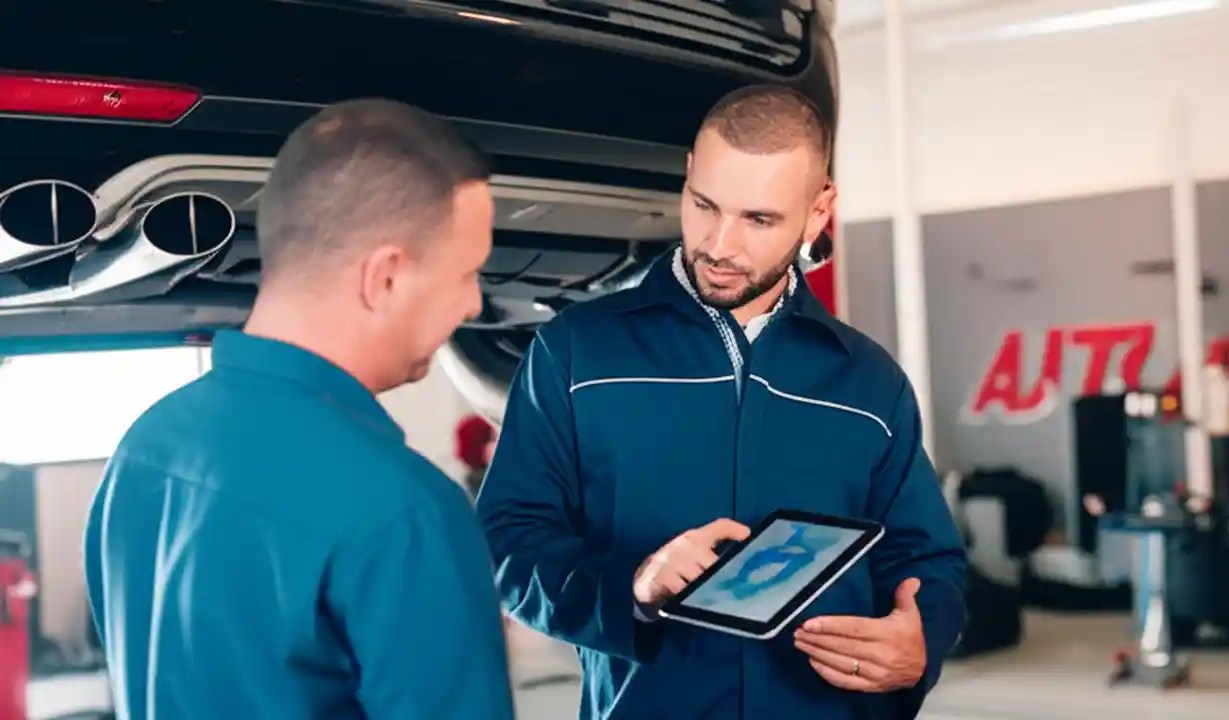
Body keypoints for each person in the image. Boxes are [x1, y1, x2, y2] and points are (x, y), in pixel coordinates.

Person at [476, 84, 967, 720]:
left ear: (819, 211)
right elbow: (506, 541)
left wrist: (921, 639)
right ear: (688, 174)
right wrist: (632, 587)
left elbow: (926, 557)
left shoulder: (870, 384)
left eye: (759, 220)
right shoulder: (576, 353)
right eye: (704, 204)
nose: (720, 245)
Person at [84, 99, 515, 720]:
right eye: (468, 273)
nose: (474, 305)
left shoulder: (146, 445)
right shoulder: (405, 512)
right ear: (386, 277)